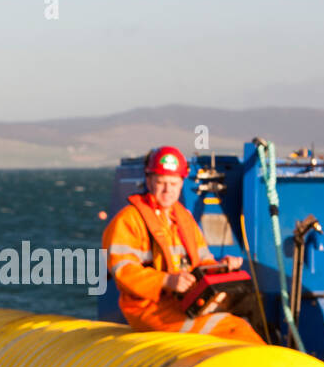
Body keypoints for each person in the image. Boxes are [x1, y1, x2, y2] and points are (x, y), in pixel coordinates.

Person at [103, 146, 264, 345]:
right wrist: (166, 281)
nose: (167, 189)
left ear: (181, 183)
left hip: (185, 303)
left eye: (173, 183)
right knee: (234, 330)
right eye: (161, 182)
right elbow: (123, 271)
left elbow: (202, 261)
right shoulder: (129, 220)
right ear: (149, 180)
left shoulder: (183, 218)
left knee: (251, 309)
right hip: (150, 310)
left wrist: (221, 267)